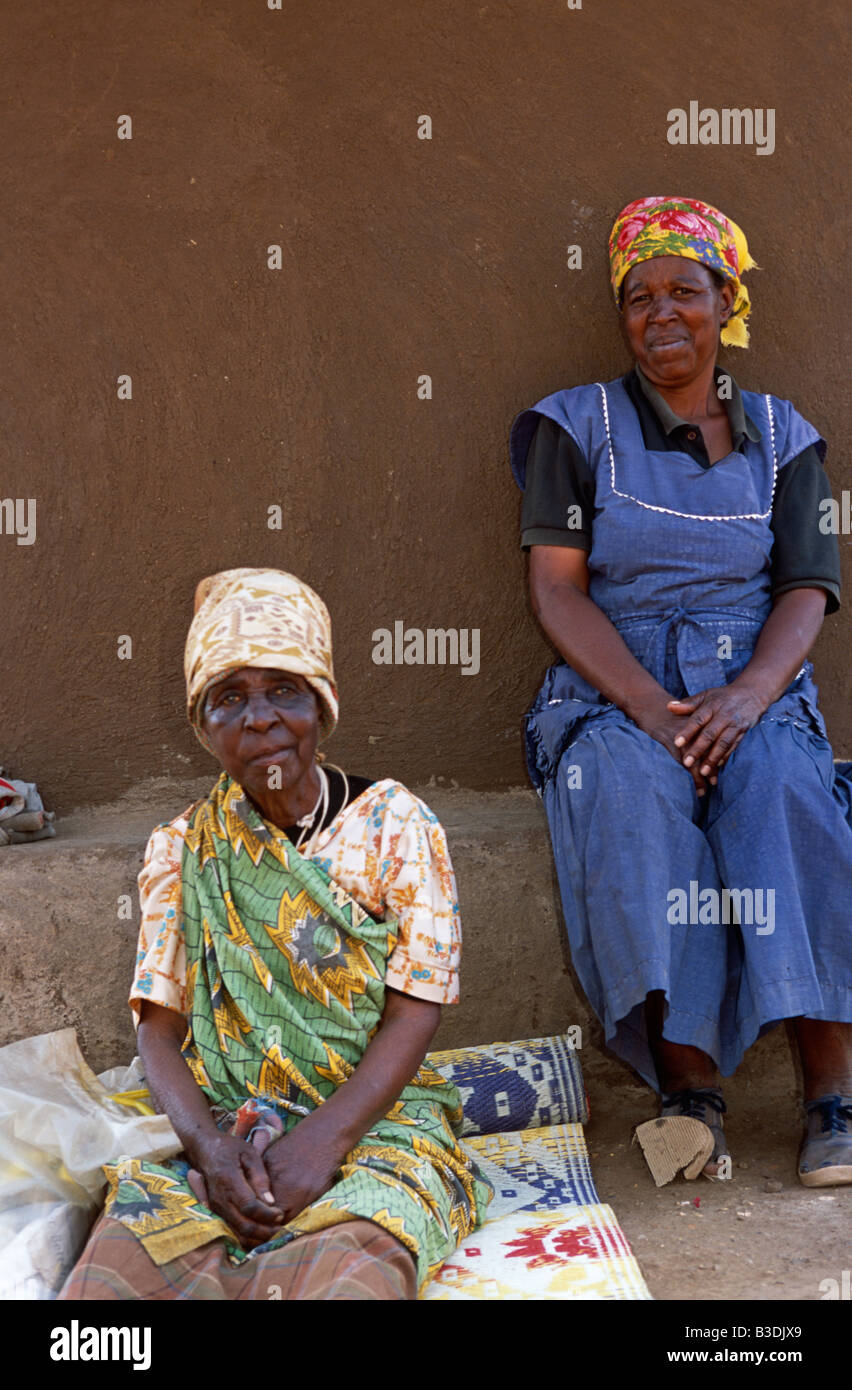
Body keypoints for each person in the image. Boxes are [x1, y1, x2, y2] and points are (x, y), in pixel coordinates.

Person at [510, 196, 852, 1185]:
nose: (661, 315)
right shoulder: (573, 427)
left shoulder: (787, 439)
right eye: (639, 296)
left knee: (788, 792)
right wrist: (648, 709)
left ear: (725, 301)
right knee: (624, 799)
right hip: (614, 691)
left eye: (685, 291)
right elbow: (557, 591)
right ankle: (690, 1091)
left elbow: (807, 588)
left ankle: (832, 1094)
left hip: (754, 685)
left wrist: (749, 696)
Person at [60, 567, 489, 1300]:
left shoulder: (394, 827)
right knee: (108, 1287)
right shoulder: (184, 848)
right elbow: (158, 1033)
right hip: (229, 1122)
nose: (259, 719)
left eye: (282, 691)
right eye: (230, 699)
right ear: (203, 727)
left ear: (321, 706)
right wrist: (212, 1152)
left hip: (371, 1121)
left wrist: (323, 1145)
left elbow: (417, 1006)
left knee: (353, 1276)